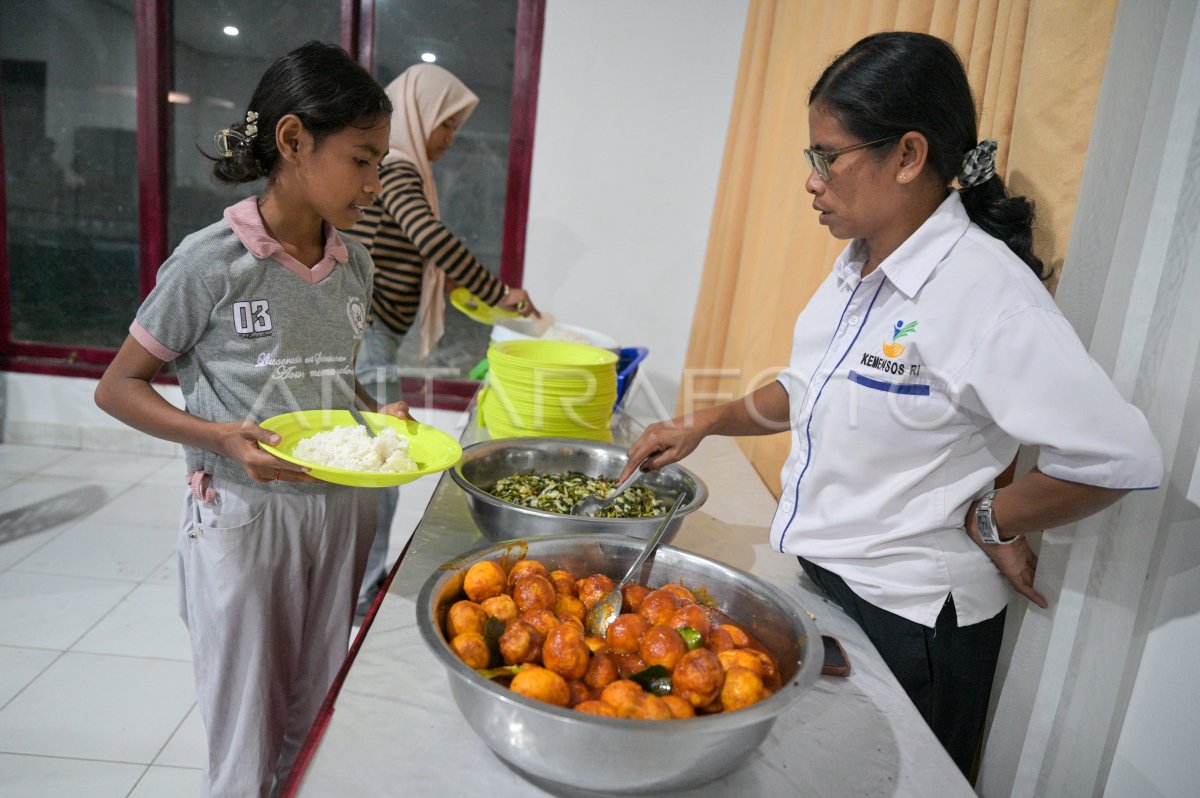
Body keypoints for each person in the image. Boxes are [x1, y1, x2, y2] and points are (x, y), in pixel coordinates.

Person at [620, 31, 1162, 778]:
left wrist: (989, 517)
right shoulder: (858, 266)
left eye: (826, 156)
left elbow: (1115, 458)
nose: (811, 180)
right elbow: (810, 388)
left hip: (914, 626)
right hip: (830, 583)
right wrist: (706, 422)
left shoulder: (984, 295)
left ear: (907, 156)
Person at [93, 42, 405, 797]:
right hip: (244, 512)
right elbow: (118, 388)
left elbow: (329, 381)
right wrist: (217, 438)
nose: (375, 185)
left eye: (380, 164)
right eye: (363, 160)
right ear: (295, 141)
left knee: (318, 701)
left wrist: (374, 414)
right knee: (246, 723)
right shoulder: (210, 263)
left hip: (338, 509)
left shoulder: (353, 263)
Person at [345, 62, 538, 615]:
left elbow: (405, 247)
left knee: (372, 466)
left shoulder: (398, 170)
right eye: (447, 124)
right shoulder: (400, 168)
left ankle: (357, 584)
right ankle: (360, 595)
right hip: (370, 335)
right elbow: (427, 235)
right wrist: (499, 292)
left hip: (375, 333)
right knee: (379, 470)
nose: (450, 139)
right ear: (419, 114)